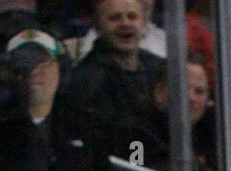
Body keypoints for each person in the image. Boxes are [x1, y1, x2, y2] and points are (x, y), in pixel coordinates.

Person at [0, 29, 122, 171]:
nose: (34, 72)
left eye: (43, 62)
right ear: (8, 74)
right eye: (23, 64)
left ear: (59, 69)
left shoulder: (83, 125)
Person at [64, 0, 164, 151]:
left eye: (132, 17)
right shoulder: (86, 81)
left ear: (144, 24)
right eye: (114, 18)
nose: (125, 24)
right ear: (97, 27)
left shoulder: (160, 68)